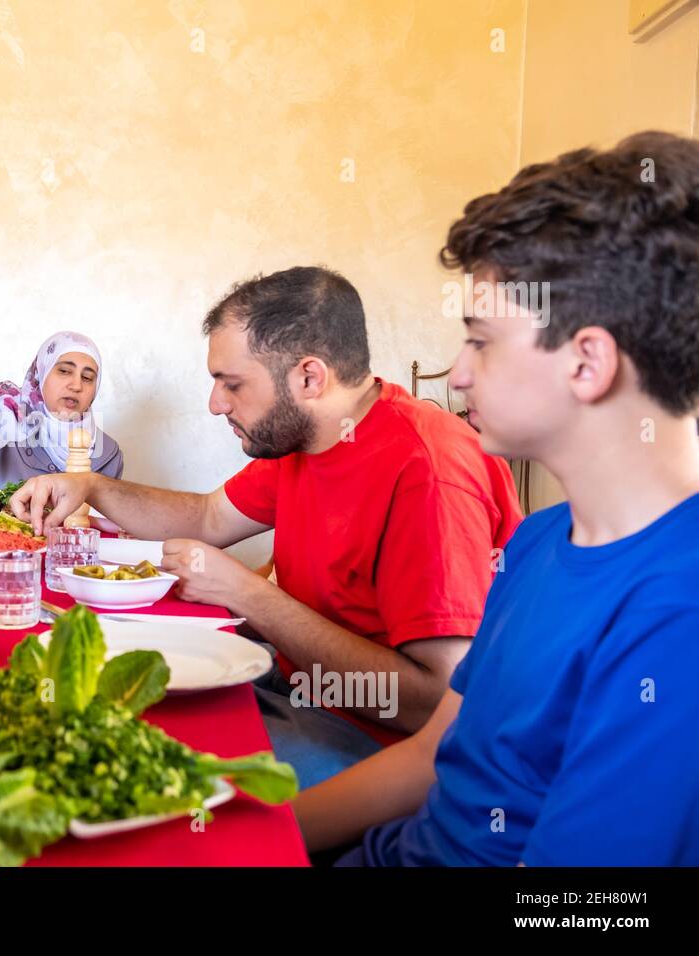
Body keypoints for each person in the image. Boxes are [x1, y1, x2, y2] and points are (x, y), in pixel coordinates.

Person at [293, 131, 699, 866]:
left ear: (587, 363)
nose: (456, 376)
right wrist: (250, 843)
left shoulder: (676, 613)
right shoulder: (538, 541)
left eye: (480, 340)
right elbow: (431, 761)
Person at [12, 267, 523, 788]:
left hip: (389, 746)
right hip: (298, 688)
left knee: (135, 773)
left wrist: (246, 592)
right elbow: (208, 517)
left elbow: (432, 706)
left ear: (309, 377)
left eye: (231, 385)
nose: (216, 404)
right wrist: (91, 487)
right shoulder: (304, 438)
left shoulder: (428, 470)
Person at [0, 331, 123, 492]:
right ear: (41, 374)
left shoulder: (107, 453)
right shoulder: (6, 410)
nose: (76, 385)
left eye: (88, 377)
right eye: (64, 371)